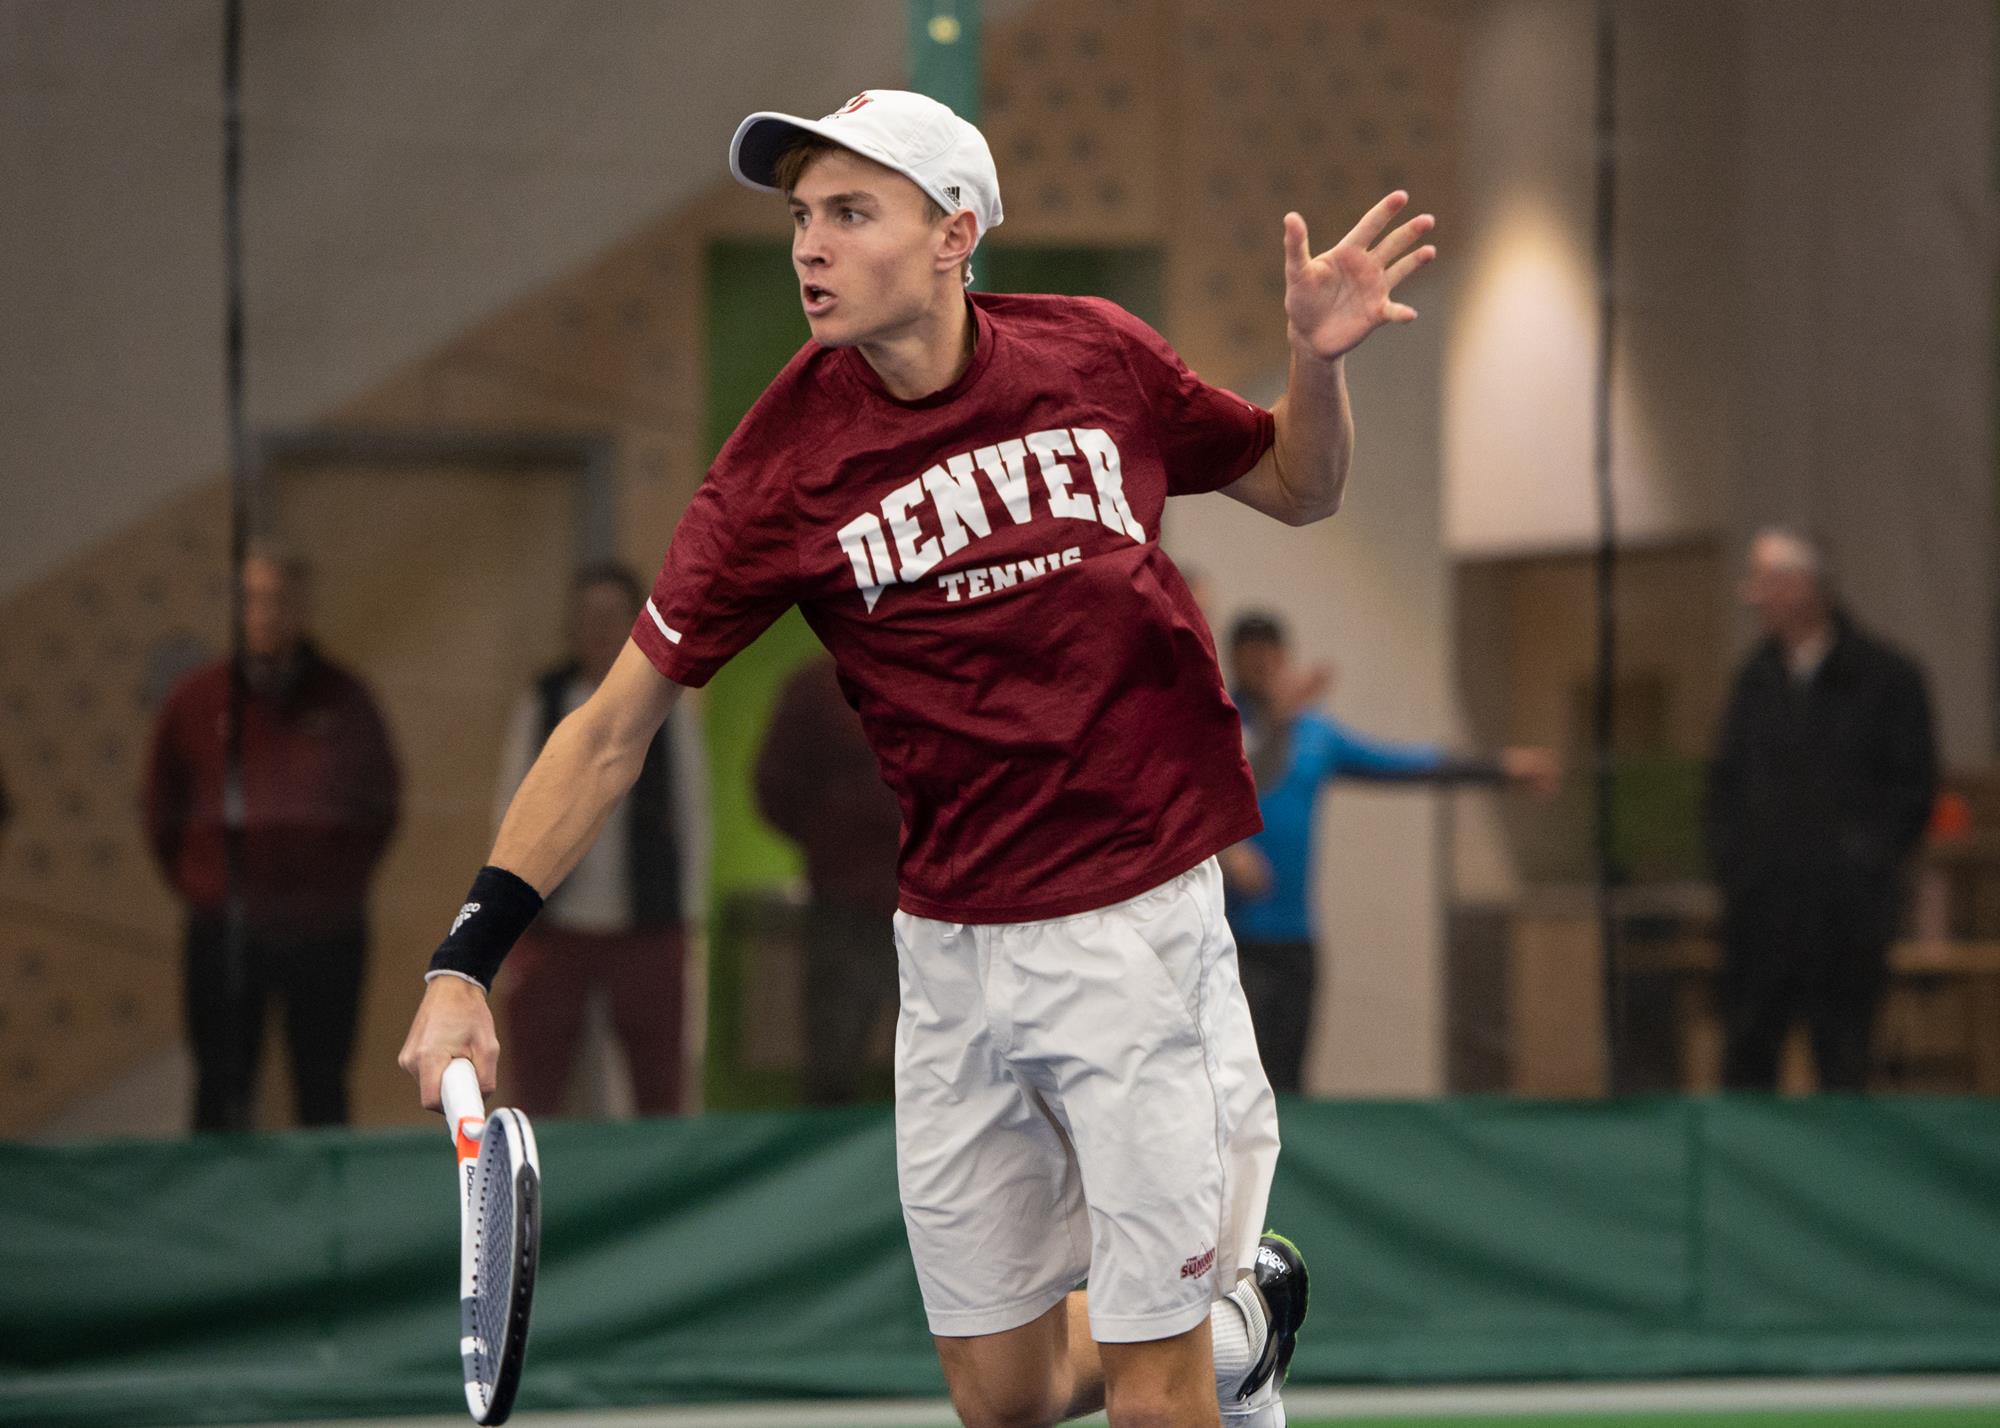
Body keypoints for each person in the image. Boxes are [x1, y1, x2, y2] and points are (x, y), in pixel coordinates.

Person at [399, 88, 1438, 1428]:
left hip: (1135, 924)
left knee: (1151, 1394)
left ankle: (1201, 1343)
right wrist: (462, 961)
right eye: (798, 217)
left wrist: (1318, 363)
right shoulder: (777, 470)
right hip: (949, 949)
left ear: (955, 233)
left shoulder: (1098, 358)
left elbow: (1301, 486)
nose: (808, 247)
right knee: (1001, 1398)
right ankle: (1250, 1319)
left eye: (850, 212)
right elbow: (609, 730)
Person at [1219, 611, 1559, 1092]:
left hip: (1296, 937)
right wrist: (1228, 851)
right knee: (1236, 1082)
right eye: (1251, 662)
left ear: (1283, 659)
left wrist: (1498, 769)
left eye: (1270, 660)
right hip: (1233, 939)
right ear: (1234, 661)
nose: (1263, 671)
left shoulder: (1315, 735)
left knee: (1290, 1081)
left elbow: (1402, 764)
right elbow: (1187, 797)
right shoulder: (1219, 727)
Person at [144, 546, 401, 1130]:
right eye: (253, 600)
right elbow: (162, 806)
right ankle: (216, 1212)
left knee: (323, 1084)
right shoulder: (198, 698)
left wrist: (333, 887)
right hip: (227, 928)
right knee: (221, 1085)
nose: (266, 613)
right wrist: (203, 887)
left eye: (279, 599)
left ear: (302, 608)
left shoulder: (345, 698)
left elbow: (381, 804)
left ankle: (328, 1217)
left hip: (325, 931)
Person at [1703, 528, 1938, 1092]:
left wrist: (1862, 862)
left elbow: (1912, 790)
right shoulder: (1755, 681)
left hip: (1846, 922)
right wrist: (1736, 869)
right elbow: (1725, 786)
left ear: (1802, 587)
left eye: (1765, 581)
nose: (1754, 596)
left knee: (1843, 1064)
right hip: (1760, 919)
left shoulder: (1886, 679)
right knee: (1748, 1060)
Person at [492, 563, 705, 1117]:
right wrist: (505, 918)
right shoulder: (544, 701)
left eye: (613, 618)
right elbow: (511, 811)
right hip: (553, 926)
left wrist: (689, 913)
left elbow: (692, 812)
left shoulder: (667, 703)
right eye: (587, 618)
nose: (599, 631)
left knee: (659, 1085)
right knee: (539, 1081)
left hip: (647, 923)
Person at [755, 654, 902, 1105]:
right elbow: (774, 785)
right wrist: (833, 839)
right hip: (847, 904)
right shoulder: (819, 688)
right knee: (834, 1064)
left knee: (952, 1068)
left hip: (937, 904)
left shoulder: (942, 672)